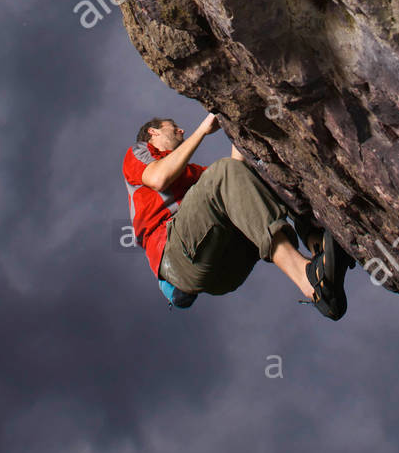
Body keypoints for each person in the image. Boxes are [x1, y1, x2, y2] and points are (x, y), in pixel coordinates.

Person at [121, 112, 353, 319]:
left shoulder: (194, 174)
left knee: (262, 178)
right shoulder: (139, 153)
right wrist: (203, 130)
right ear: (153, 132)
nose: (181, 130)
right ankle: (309, 280)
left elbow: (237, 179)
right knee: (223, 172)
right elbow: (159, 178)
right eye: (173, 127)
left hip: (223, 274)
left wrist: (234, 126)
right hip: (176, 258)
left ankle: (319, 246)